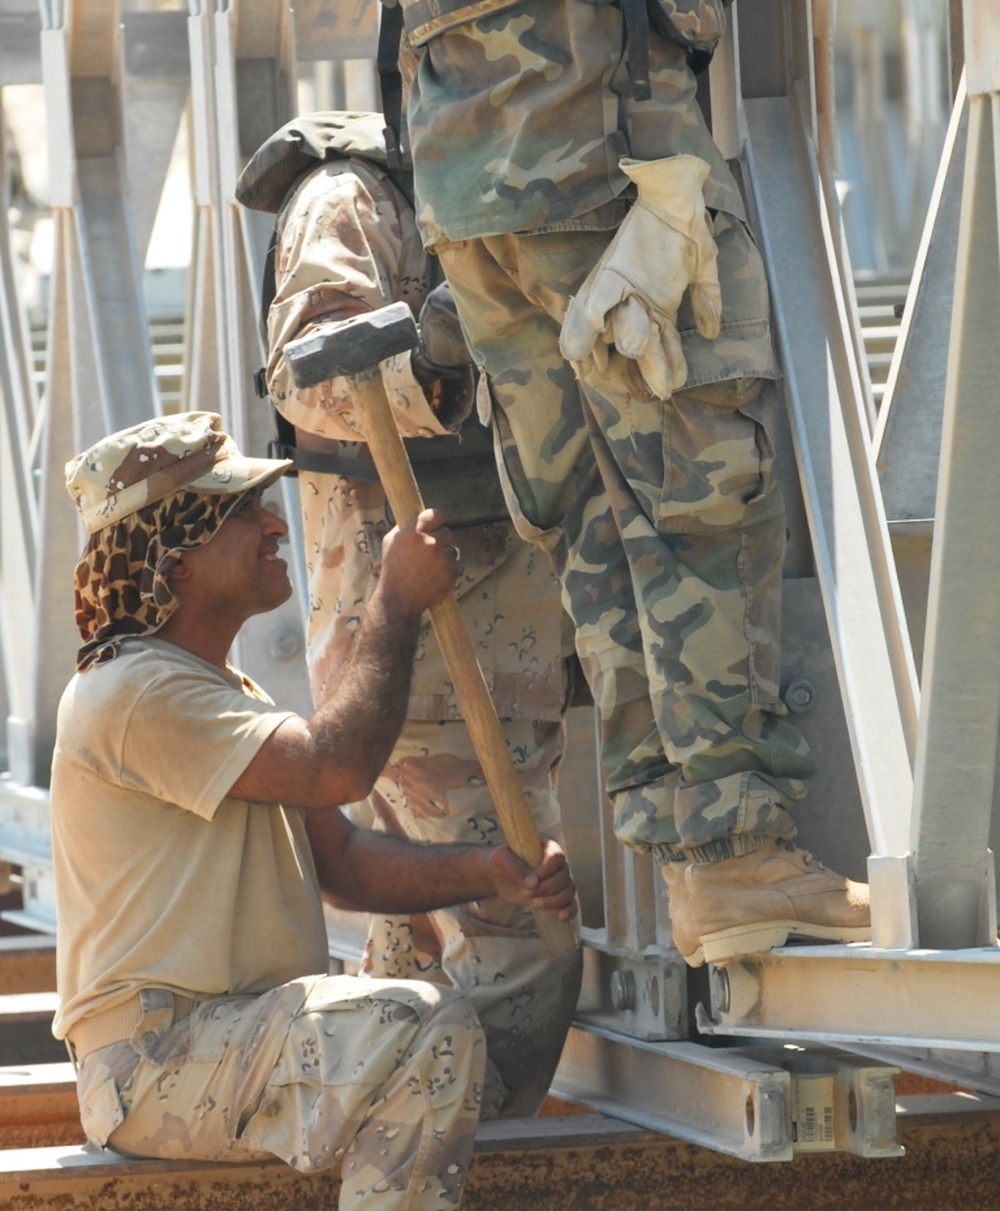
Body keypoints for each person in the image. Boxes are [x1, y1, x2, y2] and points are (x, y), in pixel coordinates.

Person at [392, 0, 871, 967]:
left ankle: (692, 864)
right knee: (705, 504)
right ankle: (733, 853)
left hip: (467, 175)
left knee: (591, 522)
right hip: (603, 146)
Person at [50, 410, 576, 1208]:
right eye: (242, 512)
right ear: (174, 557)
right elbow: (338, 767)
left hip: (221, 1041)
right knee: (421, 1028)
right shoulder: (132, 691)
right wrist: (393, 601)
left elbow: (343, 864)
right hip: (159, 1060)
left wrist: (492, 872)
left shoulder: (215, 692)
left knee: (424, 1003)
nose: (276, 526)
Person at [237, 111, 583, 1118]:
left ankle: (381, 1138)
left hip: (504, 630)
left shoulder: (521, 170)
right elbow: (308, 375)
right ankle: (461, 1146)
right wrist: (435, 360)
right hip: (424, 640)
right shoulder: (356, 195)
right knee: (521, 943)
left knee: (418, 947)